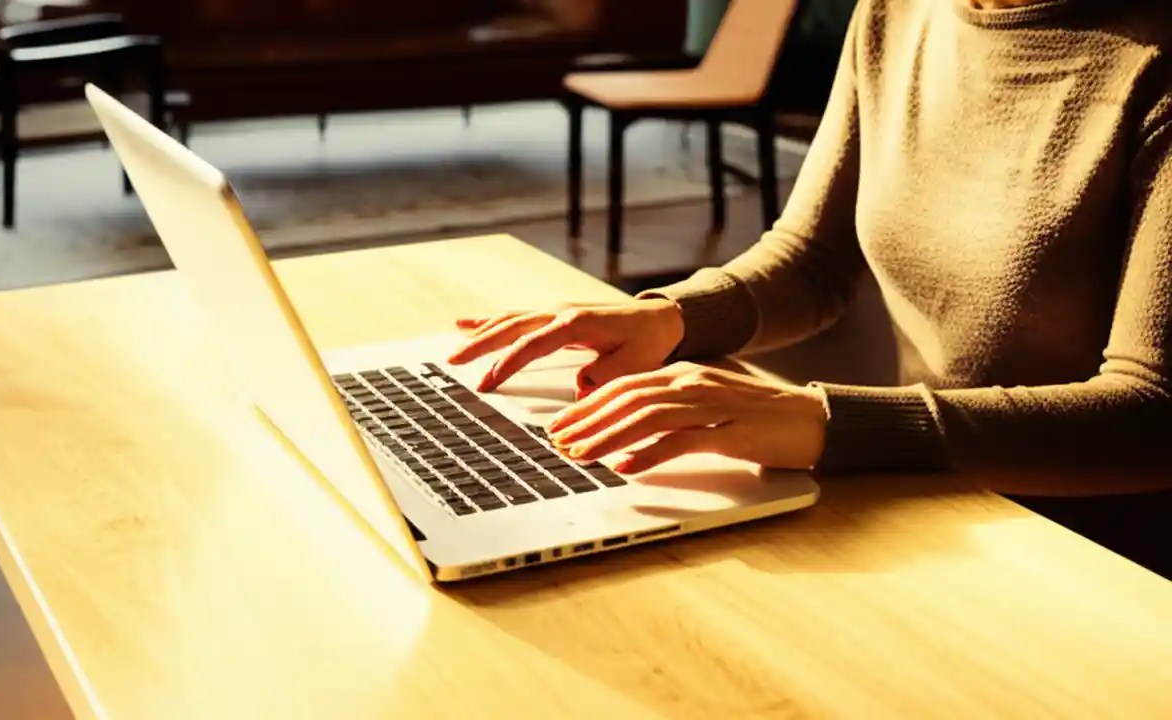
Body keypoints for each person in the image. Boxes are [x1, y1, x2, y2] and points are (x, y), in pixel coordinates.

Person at [448, 0, 1172, 572]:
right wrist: (671, 319)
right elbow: (813, 258)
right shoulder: (895, 11)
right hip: (926, 505)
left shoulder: (1153, 65)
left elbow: (1152, 419)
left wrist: (825, 422)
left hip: (1096, 566)